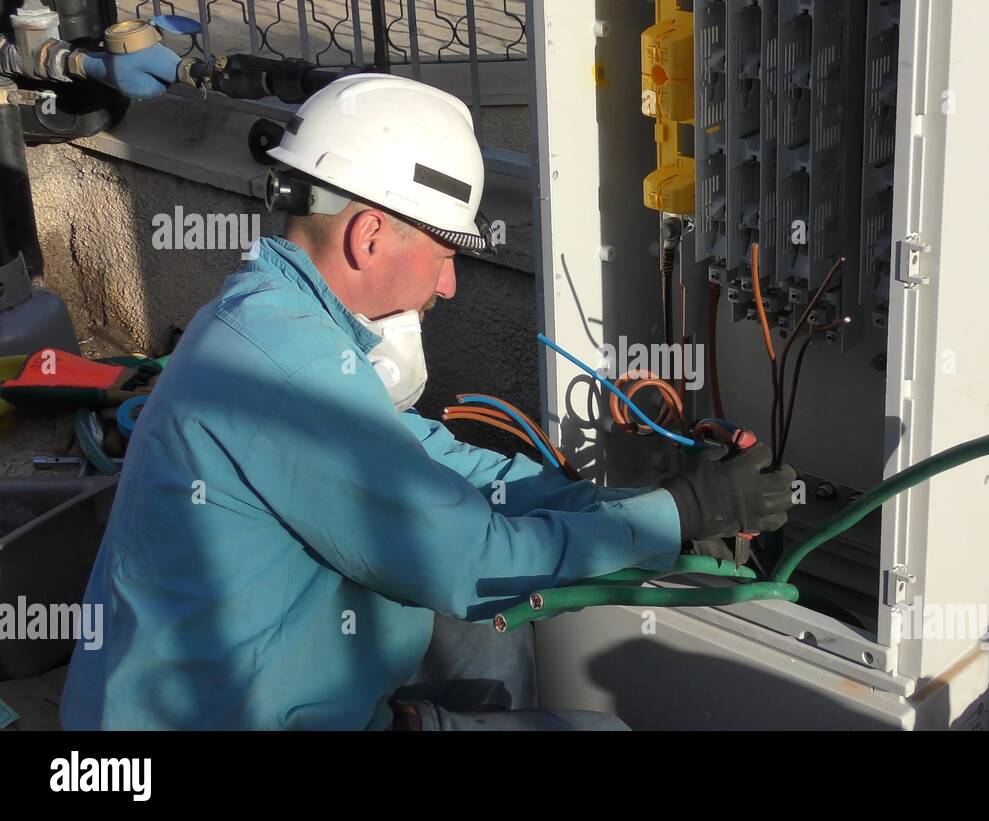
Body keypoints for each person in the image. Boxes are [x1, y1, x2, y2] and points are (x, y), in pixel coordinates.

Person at [60, 74, 796, 730]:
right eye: (446, 253)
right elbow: (470, 561)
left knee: (486, 639)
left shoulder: (273, 316)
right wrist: (684, 514)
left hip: (218, 690)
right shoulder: (289, 369)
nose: (448, 285)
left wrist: (628, 504)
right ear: (369, 234)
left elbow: (427, 459)